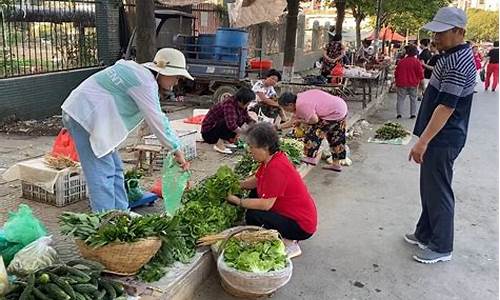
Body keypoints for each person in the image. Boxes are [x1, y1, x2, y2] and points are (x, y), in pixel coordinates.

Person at [61, 48, 192, 212]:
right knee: (101, 174)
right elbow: (157, 120)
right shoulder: (145, 83)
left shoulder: (139, 72)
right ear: (163, 72)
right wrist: (175, 149)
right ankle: (106, 221)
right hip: (83, 117)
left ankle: (121, 214)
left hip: (92, 117)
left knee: (115, 170)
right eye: (176, 77)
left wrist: (175, 147)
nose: (176, 82)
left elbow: (157, 117)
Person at [407, 7, 476, 264]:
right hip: (437, 136)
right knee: (429, 188)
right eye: (434, 33)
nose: (435, 38)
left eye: (441, 33)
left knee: (438, 190)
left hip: (444, 137)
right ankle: (424, 232)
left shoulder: (458, 61)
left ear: (459, 32)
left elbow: (446, 107)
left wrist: (423, 141)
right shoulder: (449, 54)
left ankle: (441, 246)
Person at [225, 123, 317, 258]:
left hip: (301, 226)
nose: (249, 151)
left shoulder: (276, 168)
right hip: (293, 215)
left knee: (253, 215)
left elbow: (266, 204)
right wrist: (237, 185)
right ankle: (283, 233)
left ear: (265, 147)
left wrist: (238, 201)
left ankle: (289, 242)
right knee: (254, 193)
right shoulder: (272, 159)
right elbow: (256, 181)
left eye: (252, 147)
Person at [277, 90, 348, 172]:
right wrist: (277, 127)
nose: (286, 111)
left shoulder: (301, 105)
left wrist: (301, 121)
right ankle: (336, 164)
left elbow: (314, 120)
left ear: (290, 104)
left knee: (314, 131)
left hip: (333, 112)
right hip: (341, 108)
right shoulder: (300, 98)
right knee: (336, 137)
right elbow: (292, 121)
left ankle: (310, 157)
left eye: (285, 108)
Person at [201, 87, 255, 154]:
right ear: (241, 100)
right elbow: (231, 125)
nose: (248, 105)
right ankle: (219, 145)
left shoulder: (241, 105)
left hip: (216, 131)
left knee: (240, 119)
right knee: (227, 121)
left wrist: (255, 125)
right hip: (209, 133)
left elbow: (246, 118)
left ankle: (225, 141)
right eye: (247, 103)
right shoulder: (229, 104)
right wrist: (245, 132)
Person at [394, 44, 424, 119]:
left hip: (401, 83)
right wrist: (422, 85)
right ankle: (413, 114)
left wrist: (395, 82)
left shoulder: (401, 62)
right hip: (413, 83)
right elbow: (420, 74)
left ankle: (399, 114)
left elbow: (396, 73)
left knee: (400, 99)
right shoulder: (417, 62)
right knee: (413, 99)